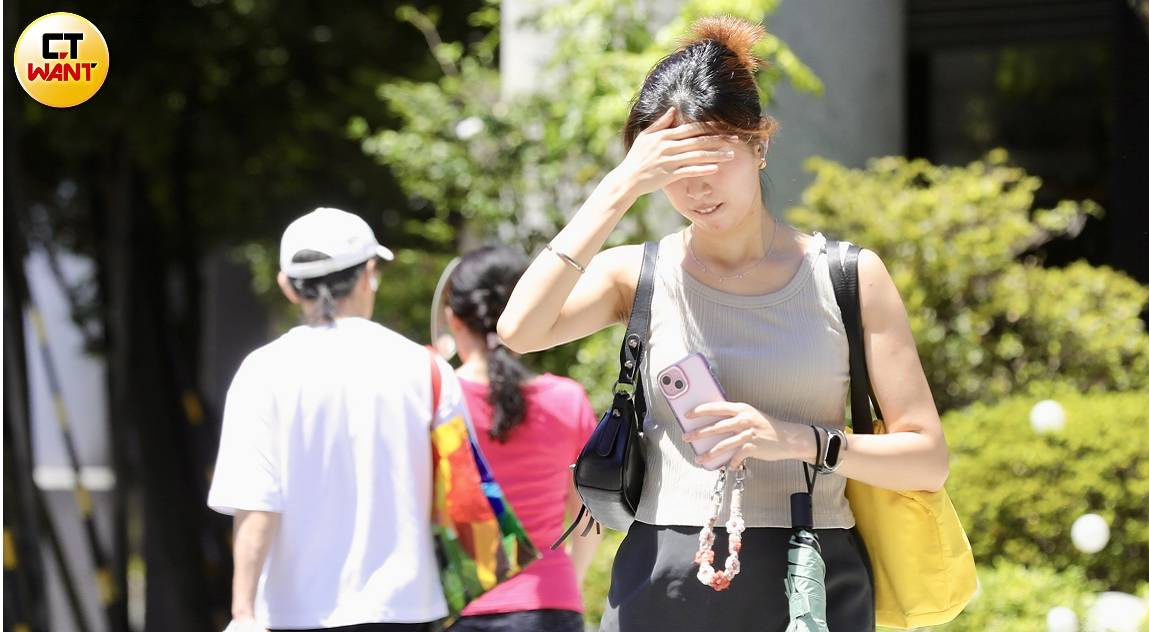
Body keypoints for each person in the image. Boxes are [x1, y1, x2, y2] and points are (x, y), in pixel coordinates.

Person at [496, 17, 949, 632]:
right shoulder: (639, 274)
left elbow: (927, 459)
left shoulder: (848, 276)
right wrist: (618, 187)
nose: (696, 186)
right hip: (664, 576)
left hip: (810, 573)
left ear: (759, 142)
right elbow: (520, 330)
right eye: (670, 171)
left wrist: (799, 440)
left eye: (713, 155)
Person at [208, 207, 463, 632]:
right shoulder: (427, 368)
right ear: (369, 273)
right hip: (405, 607)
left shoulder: (262, 371)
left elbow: (256, 499)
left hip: (295, 613)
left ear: (288, 287)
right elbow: (460, 486)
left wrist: (243, 612)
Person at [440, 245, 601, 632]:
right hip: (550, 604)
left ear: (454, 319)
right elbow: (588, 519)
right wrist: (566, 584)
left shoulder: (436, 400)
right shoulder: (567, 399)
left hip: (460, 605)